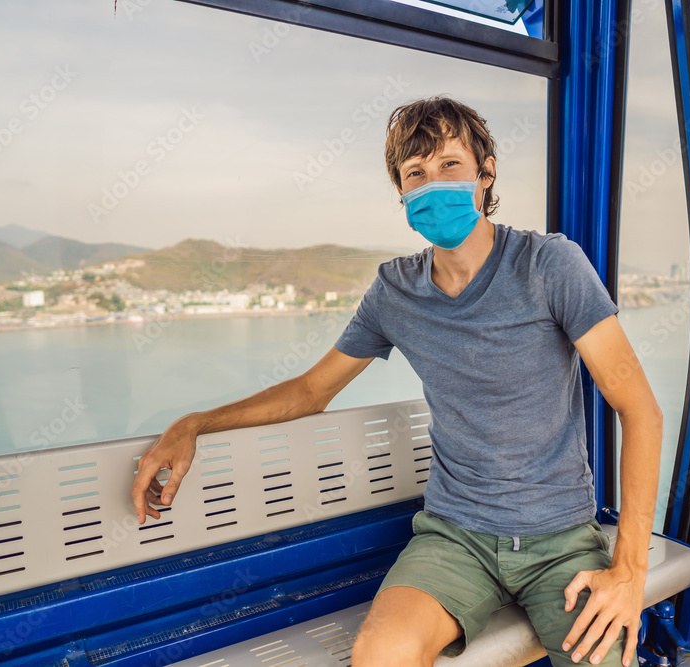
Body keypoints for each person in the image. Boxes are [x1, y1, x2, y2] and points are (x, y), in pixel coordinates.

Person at [132, 96, 662, 667]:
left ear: (485, 174)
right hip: (456, 539)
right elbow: (311, 391)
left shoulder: (550, 265)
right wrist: (193, 424)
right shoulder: (395, 292)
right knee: (380, 653)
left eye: (450, 165)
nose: (433, 183)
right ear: (403, 195)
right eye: (416, 173)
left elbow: (638, 409)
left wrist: (628, 571)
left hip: (561, 542)